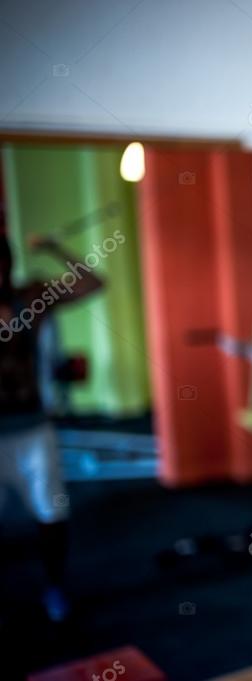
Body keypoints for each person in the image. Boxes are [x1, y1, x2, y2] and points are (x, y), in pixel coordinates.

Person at [0, 230, 103, 623]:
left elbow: (93, 283)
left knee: (52, 513)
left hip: (32, 428)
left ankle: (55, 587)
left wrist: (54, 247)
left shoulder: (30, 298)